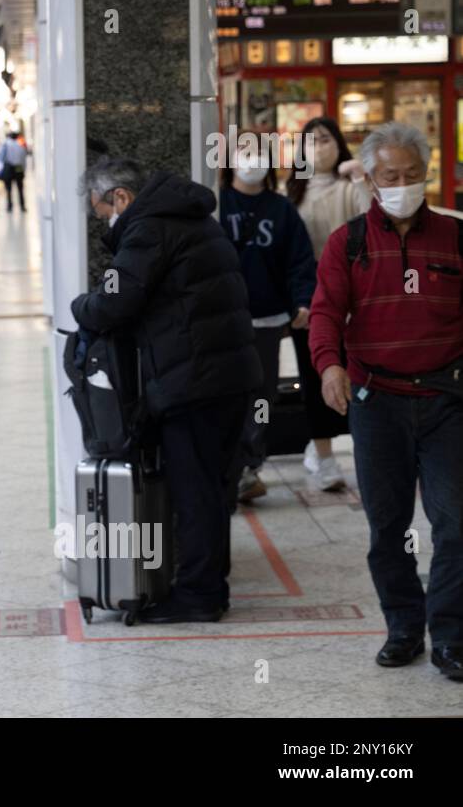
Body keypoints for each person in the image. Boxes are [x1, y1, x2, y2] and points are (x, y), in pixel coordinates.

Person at [72, 156, 261, 623]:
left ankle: (198, 596)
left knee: (195, 492)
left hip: (193, 380)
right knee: (215, 488)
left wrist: (80, 306)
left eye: (101, 211)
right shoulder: (191, 217)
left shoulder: (148, 228)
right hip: (230, 375)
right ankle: (211, 586)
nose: (104, 221)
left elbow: (114, 301)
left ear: (120, 197)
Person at [308, 121, 463, 682]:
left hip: (447, 398)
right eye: (391, 176)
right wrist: (329, 364)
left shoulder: (453, 236)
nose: (403, 184)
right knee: (388, 526)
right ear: (370, 178)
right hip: (377, 402)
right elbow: (325, 310)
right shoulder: (346, 243)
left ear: (427, 175)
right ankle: (403, 629)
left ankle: (450, 637)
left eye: (413, 176)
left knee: (455, 523)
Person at [218, 141, 316, 503]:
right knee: (225, 394)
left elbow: (300, 262)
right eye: (244, 152)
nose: (252, 161)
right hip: (222, 323)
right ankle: (224, 464)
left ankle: (250, 467)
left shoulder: (281, 210)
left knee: (261, 397)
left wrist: (303, 302)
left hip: (268, 322)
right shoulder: (217, 204)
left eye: (259, 153)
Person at [287, 116, 370, 491]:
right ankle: (323, 457)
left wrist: (360, 178)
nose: (318, 146)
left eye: (325, 139)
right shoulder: (290, 194)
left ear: (339, 144)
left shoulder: (349, 188)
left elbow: (373, 219)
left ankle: (364, 447)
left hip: (356, 301)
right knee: (316, 375)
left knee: (359, 376)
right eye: (311, 141)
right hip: (310, 303)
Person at [0, 132, 27, 212]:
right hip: (18, 168)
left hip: (9, 168)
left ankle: (9, 206)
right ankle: (22, 206)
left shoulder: (6, 145)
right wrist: (23, 169)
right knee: (20, 189)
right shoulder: (20, 145)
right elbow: (23, 159)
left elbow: (1, 158)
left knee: (8, 189)